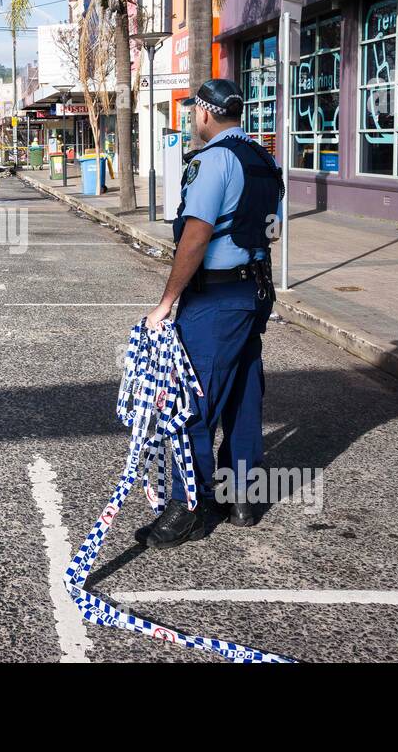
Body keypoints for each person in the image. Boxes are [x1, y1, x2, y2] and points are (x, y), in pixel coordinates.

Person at [137, 78, 284, 549]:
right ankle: (240, 495)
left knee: (191, 400)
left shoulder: (213, 160)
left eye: (192, 111)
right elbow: (270, 229)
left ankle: (189, 507)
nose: (191, 119)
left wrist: (167, 302)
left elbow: (196, 235)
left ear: (204, 112)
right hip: (255, 292)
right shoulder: (265, 159)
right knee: (242, 393)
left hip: (217, 298)